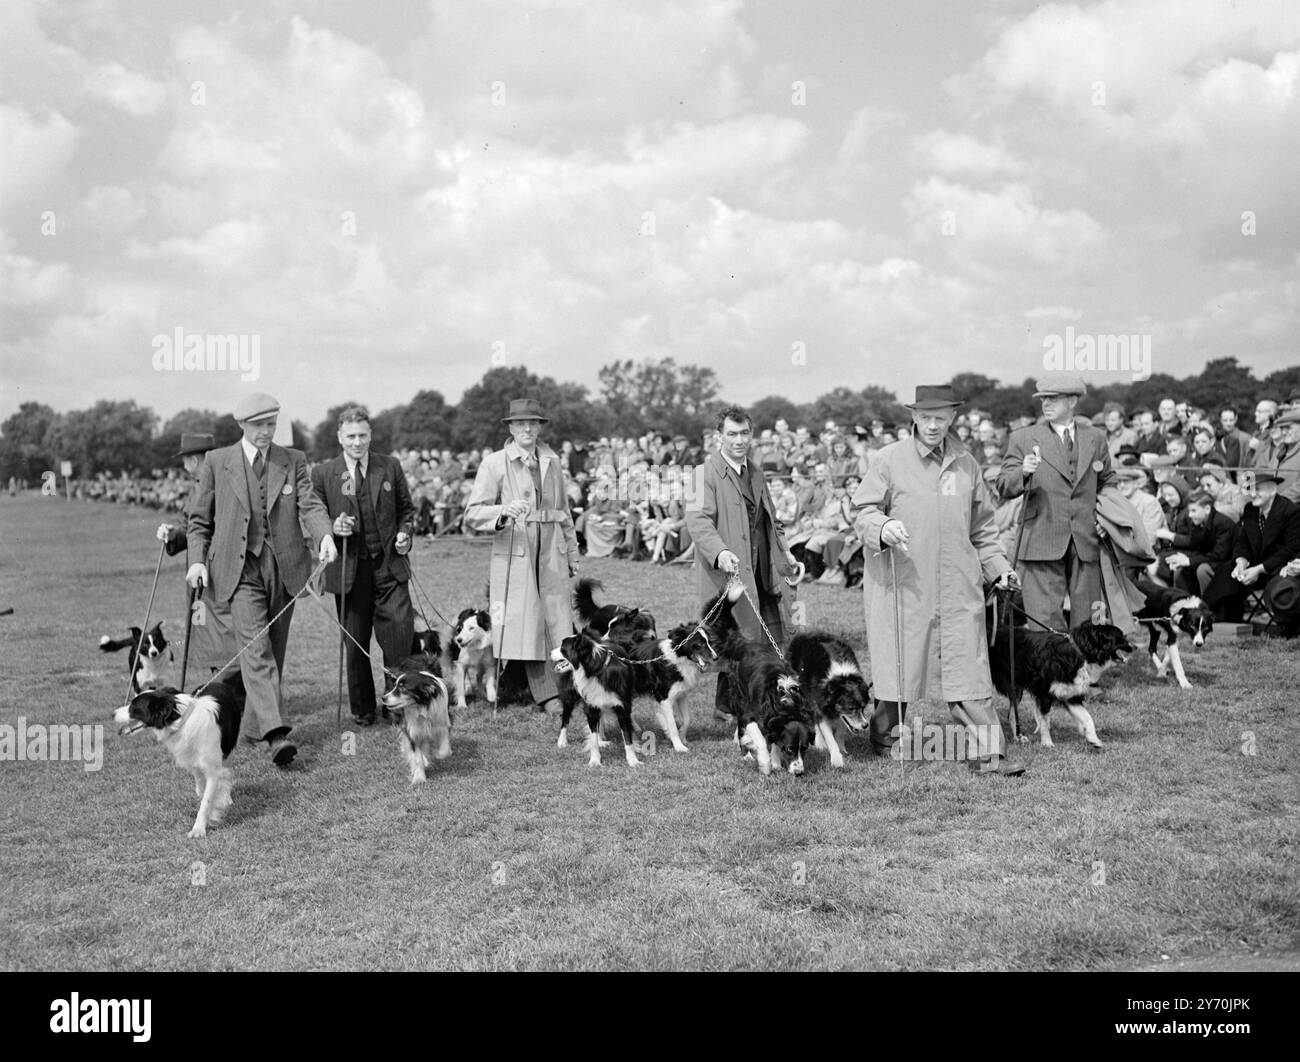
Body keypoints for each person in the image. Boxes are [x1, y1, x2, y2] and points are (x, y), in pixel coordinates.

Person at [852, 384, 1024, 775]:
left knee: (968, 664)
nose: (933, 425)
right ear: (913, 417)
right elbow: (862, 512)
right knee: (901, 662)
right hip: (905, 583)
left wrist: (999, 569)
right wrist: (883, 526)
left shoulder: (967, 464)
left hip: (959, 586)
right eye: (926, 417)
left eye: (941, 417)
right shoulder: (888, 460)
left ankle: (989, 754)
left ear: (952, 418)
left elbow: (983, 529)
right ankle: (884, 737)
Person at [186, 393, 336, 766]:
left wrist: (325, 536)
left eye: (271, 424)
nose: (266, 432)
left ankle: (254, 726)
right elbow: (199, 520)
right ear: (242, 426)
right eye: (258, 426)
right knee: (256, 647)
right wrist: (196, 562)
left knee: (275, 648)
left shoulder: (293, 460)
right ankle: (276, 735)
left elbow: (310, 504)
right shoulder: (218, 462)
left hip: (284, 568)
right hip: (237, 572)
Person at [463, 398, 580, 714]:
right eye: (520, 423)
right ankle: (546, 694)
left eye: (533, 422)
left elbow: (564, 512)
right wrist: (503, 510)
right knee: (526, 621)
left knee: (557, 621)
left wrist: (571, 551)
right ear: (510, 427)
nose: (527, 428)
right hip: (516, 552)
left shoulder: (553, 461)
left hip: (551, 552)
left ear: (540, 426)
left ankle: (561, 686)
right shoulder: (494, 463)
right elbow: (472, 513)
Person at [684, 404, 799, 714]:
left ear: (752, 435)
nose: (739, 440)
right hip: (727, 572)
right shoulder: (701, 475)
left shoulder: (756, 471)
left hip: (763, 569)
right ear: (718, 436)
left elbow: (772, 519)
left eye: (744, 433)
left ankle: (739, 703)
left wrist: (785, 550)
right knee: (736, 638)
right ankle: (731, 705)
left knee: (763, 637)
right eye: (732, 434)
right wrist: (719, 551)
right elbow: (697, 520)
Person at [311, 406, 417, 727]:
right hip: (348, 573)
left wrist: (405, 535)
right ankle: (363, 710)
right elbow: (314, 519)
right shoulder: (324, 474)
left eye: (363, 435)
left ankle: (396, 705)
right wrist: (333, 528)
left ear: (371, 435)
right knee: (356, 644)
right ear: (340, 438)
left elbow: (407, 512)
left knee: (399, 639)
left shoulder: (390, 466)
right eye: (351, 437)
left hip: (390, 569)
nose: (357, 442)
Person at [998, 375, 1116, 632]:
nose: (1046, 404)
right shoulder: (1022, 438)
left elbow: (1108, 481)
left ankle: (1084, 670)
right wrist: (1023, 473)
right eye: (1043, 399)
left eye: (1053, 398)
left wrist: (1108, 520)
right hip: (1040, 539)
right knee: (1043, 621)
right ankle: (1051, 671)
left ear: (1073, 401)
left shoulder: (1096, 437)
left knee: (1089, 620)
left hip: (1086, 540)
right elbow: (1003, 485)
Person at [155, 433, 240, 683]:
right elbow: (191, 525)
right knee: (205, 630)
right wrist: (173, 534)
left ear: (193, 460)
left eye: (185, 461)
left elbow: (206, 527)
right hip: (199, 573)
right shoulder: (198, 486)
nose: (184, 467)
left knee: (224, 633)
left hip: (219, 571)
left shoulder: (222, 483)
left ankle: (233, 690)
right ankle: (221, 684)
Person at [1204, 471, 1300, 622]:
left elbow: (1290, 550)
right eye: (1251, 489)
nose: (1253, 494)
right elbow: (1243, 540)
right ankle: (1221, 618)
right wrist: (1241, 561)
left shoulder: (1290, 511)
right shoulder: (1250, 509)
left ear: (1273, 490)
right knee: (1228, 571)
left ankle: (1287, 627)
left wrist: (1259, 569)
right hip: (1254, 563)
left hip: (1278, 566)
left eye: (1258, 489)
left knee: (1284, 585)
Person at [1153, 489, 1236, 596]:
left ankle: (1207, 607)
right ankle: (1184, 604)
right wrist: (1182, 559)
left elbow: (1219, 555)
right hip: (1208, 558)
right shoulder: (1197, 522)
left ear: (1206, 509)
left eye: (1193, 511)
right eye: (1189, 511)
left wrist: (1189, 560)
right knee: (1179, 567)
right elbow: (1195, 545)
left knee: (1202, 570)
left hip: (1226, 562)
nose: (1190, 515)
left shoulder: (1223, 524)